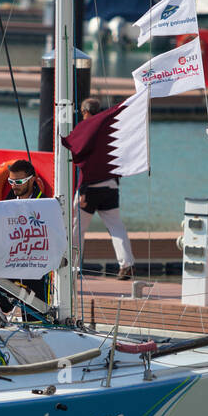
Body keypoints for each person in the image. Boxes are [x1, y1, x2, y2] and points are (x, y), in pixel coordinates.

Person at [72, 97, 135, 280]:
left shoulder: (84, 129)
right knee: (116, 227)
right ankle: (127, 265)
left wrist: (82, 190)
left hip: (89, 188)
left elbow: (84, 162)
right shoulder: (110, 128)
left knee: (77, 229)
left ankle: (73, 268)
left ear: (84, 112)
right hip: (111, 186)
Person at [0, 160, 51, 317]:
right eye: (11, 181)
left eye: (18, 181)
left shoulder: (45, 204)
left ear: (31, 180)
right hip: (11, 263)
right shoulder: (7, 203)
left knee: (33, 317)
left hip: (35, 267)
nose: (13, 185)